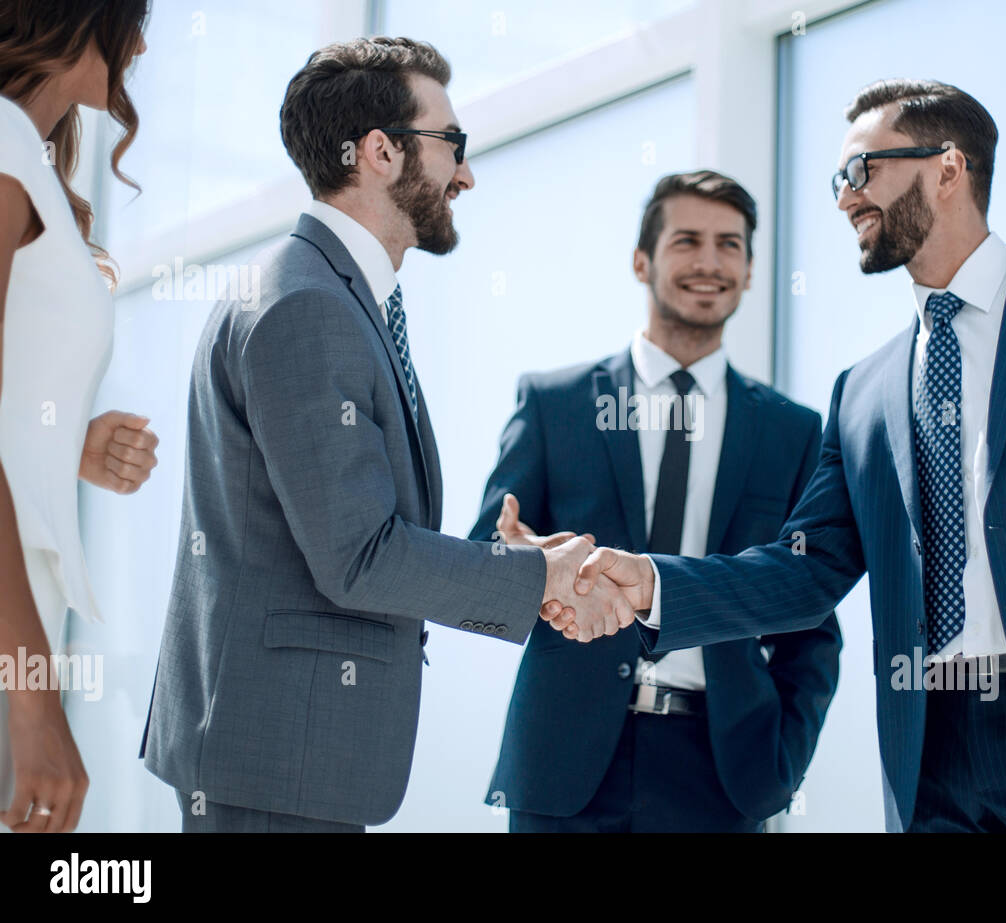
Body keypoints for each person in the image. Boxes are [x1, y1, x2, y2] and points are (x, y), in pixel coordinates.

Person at [562, 79, 1006, 833]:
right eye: (837, 180)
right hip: (931, 760)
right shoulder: (861, 390)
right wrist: (653, 581)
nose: (845, 199)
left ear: (948, 169)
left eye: (861, 172)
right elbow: (806, 567)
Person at [138, 36, 631, 833]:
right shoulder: (307, 306)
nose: (466, 172)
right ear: (379, 151)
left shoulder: (326, 294)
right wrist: (535, 576)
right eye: (452, 145)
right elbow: (360, 557)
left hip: (285, 757)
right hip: (275, 762)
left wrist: (516, 570)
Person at [476, 171, 842, 833]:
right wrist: (522, 561)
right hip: (564, 768)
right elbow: (484, 556)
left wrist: (780, 761)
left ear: (752, 269)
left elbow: (811, 618)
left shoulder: (792, 431)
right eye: (688, 240)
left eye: (730, 245)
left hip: (723, 772)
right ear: (641, 259)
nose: (709, 262)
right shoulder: (555, 403)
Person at [0, 0, 156, 834]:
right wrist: (33, 700)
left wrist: (66, 445)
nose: (142, 40)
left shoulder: (24, 155)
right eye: (136, 14)